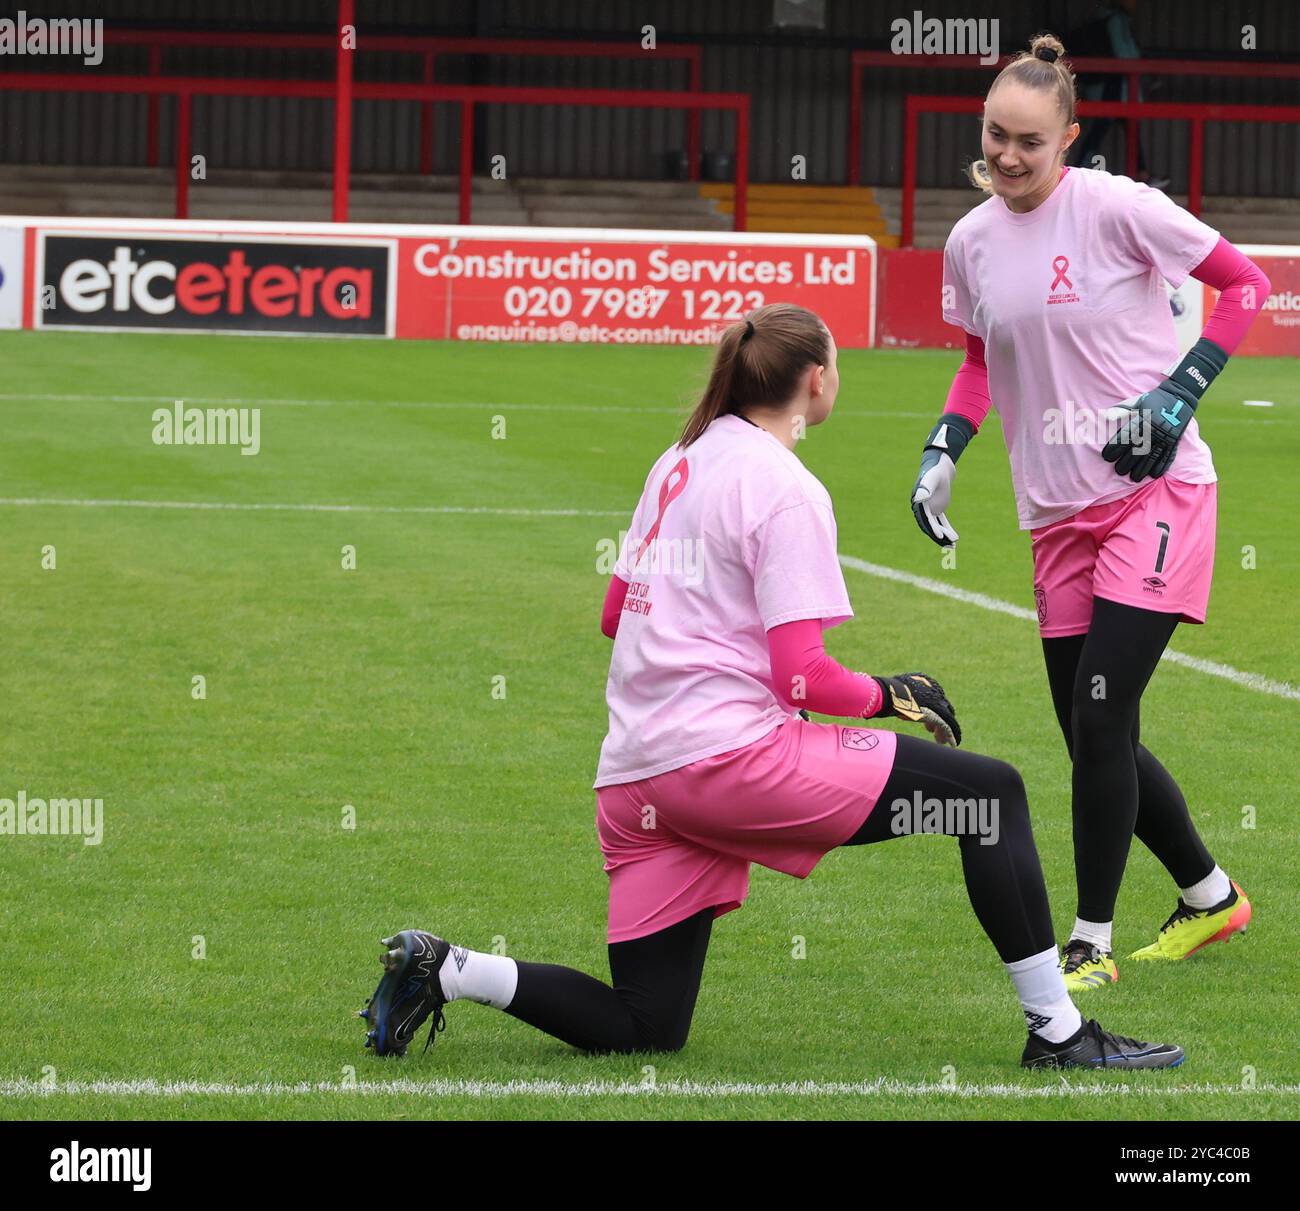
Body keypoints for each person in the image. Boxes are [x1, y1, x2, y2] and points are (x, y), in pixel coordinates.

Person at [360, 302, 1183, 1069]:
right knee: (991, 795)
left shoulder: (676, 459)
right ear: (817, 379)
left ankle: (453, 968)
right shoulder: (785, 485)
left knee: (647, 1023)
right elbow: (803, 676)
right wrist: (895, 693)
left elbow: (618, 612)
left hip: (637, 775)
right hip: (725, 762)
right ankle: (1060, 1031)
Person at [912, 33, 1265, 993]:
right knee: (1087, 727)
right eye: (995, 135)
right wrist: (946, 446)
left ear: (1069, 136)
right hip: (1055, 512)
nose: (1009, 156)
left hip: (1154, 492)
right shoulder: (971, 238)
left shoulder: (1117, 207)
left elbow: (1246, 286)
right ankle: (1209, 894)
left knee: (1104, 714)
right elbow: (981, 361)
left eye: (1030, 139)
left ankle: (1090, 942)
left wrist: (1177, 394)